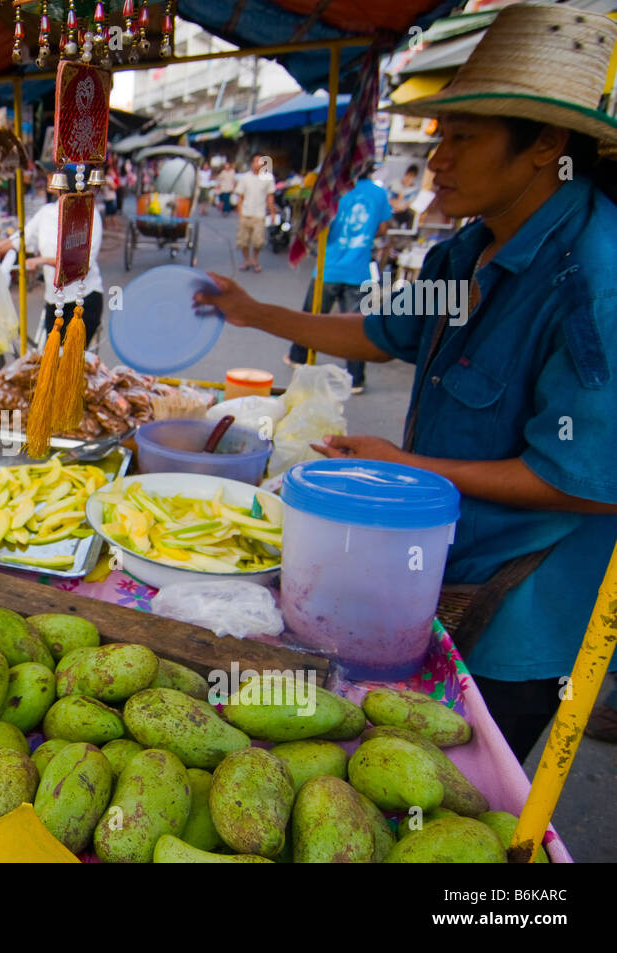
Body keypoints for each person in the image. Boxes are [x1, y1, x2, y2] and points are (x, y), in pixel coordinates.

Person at [196, 3, 617, 762]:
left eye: (462, 138)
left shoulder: (595, 278)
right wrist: (253, 312)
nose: (438, 158)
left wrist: (407, 467)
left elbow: (588, 480)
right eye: (439, 136)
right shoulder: (465, 255)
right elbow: (383, 334)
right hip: (435, 571)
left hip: (527, 613)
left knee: (444, 777)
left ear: (544, 146)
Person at [285, 166, 392, 393]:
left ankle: (298, 357)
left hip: (328, 268)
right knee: (358, 326)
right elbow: (383, 228)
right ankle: (356, 378)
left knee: (311, 319)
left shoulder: (332, 192)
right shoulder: (379, 193)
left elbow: (315, 227)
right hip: (359, 269)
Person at [0, 197, 104, 344]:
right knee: (49, 360)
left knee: (67, 362)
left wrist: (43, 260)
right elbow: (16, 241)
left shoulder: (90, 214)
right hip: (54, 302)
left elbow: (83, 263)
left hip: (84, 301)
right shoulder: (46, 213)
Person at [233, 154, 276, 272]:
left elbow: (270, 197)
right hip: (246, 214)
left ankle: (255, 260)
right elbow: (239, 197)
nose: (258, 164)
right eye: (256, 161)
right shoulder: (245, 178)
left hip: (259, 215)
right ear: (252, 163)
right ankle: (246, 260)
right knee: (243, 241)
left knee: (258, 242)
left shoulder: (268, 178)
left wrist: (272, 213)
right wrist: (240, 213)